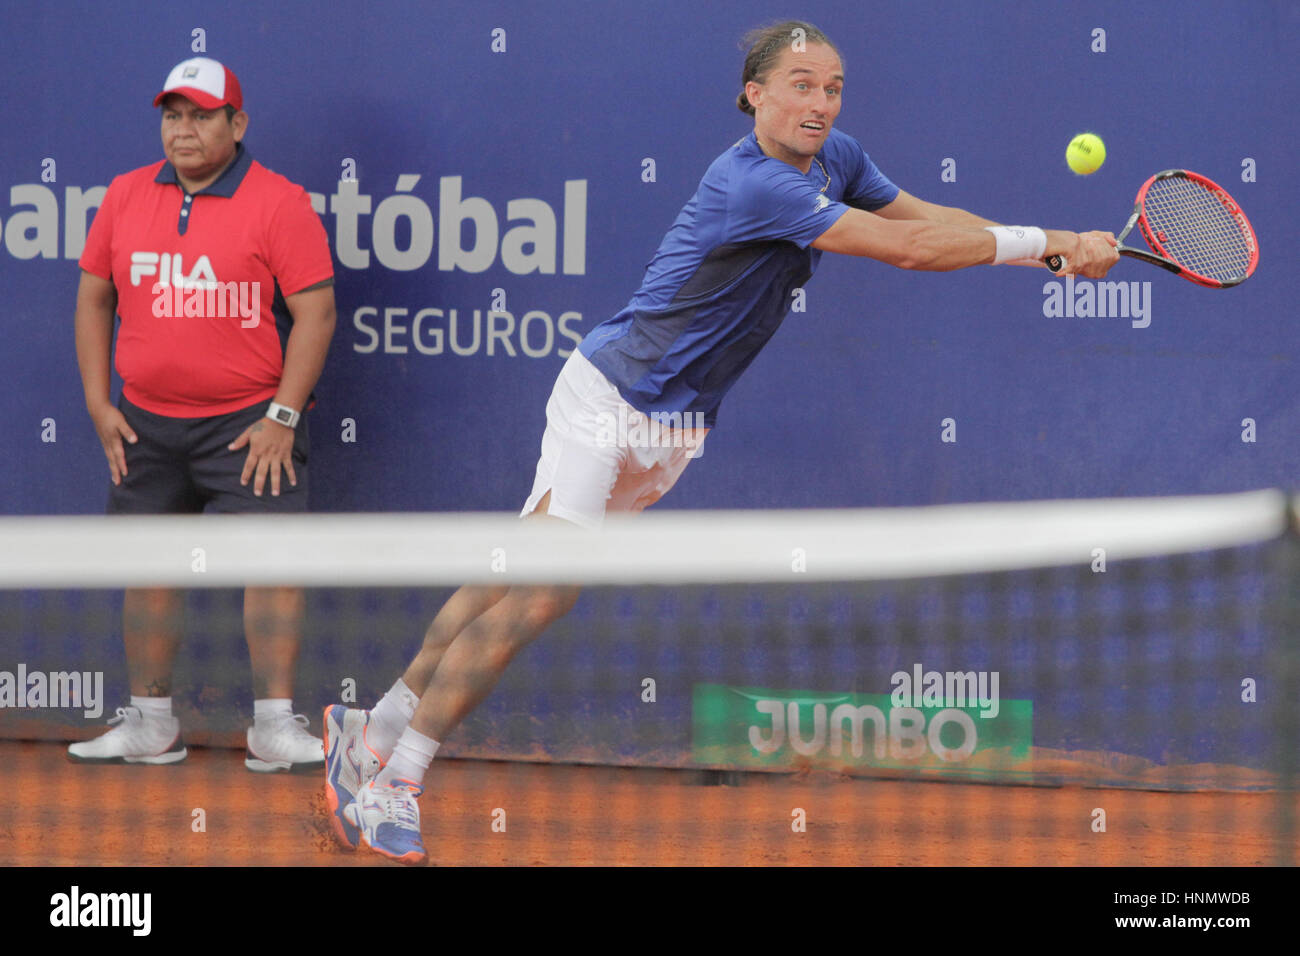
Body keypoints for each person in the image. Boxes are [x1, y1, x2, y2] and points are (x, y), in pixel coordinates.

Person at [323, 20, 1120, 863]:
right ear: (755, 95)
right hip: (609, 395)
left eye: (833, 86)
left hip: (674, 426)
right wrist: (1053, 244)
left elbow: (934, 216)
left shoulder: (838, 157)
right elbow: (913, 251)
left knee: (513, 580)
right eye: (802, 85)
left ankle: (369, 728)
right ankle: (395, 783)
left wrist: (1052, 253)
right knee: (543, 593)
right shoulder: (753, 184)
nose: (821, 103)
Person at [70, 57, 337, 772]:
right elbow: (95, 297)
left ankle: (274, 729)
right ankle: (151, 723)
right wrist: (100, 403)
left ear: (236, 123)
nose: (183, 130)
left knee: (273, 563)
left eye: (200, 115)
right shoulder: (125, 196)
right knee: (148, 567)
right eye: (172, 115)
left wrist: (282, 415)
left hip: (249, 426)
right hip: (146, 423)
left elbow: (317, 313)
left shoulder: (280, 203)